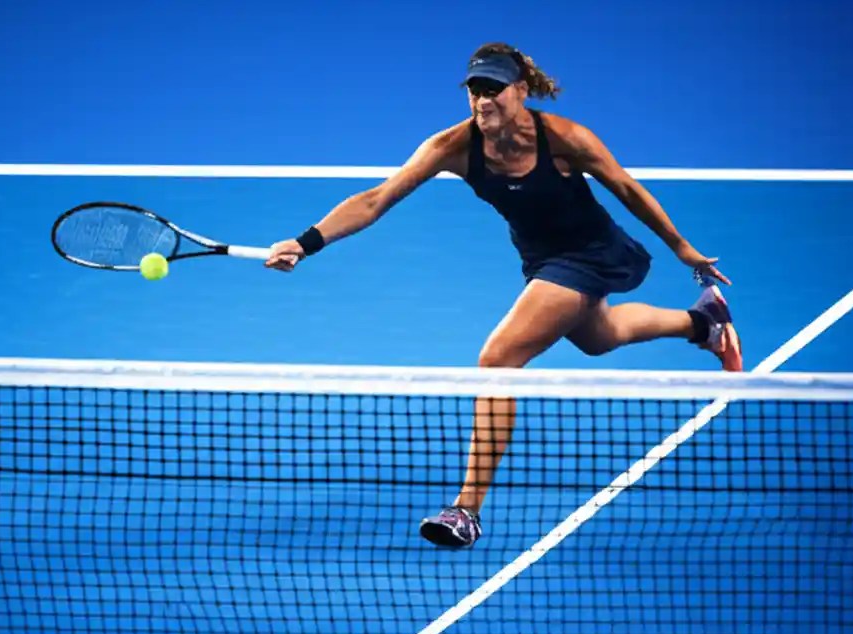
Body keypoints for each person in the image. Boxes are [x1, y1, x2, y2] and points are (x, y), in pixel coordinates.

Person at [263, 42, 742, 549]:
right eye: (475, 90)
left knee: (497, 358)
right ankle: (704, 322)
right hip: (540, 260)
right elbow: (375, 199)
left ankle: (467, 509)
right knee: (598, 337)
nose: (483, 101)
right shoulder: (452, 146)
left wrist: (682, 248)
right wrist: (305, 242)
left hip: (592, 253)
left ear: (520, 90)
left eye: (494, 89)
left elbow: (626, 189)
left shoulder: (565, 138)